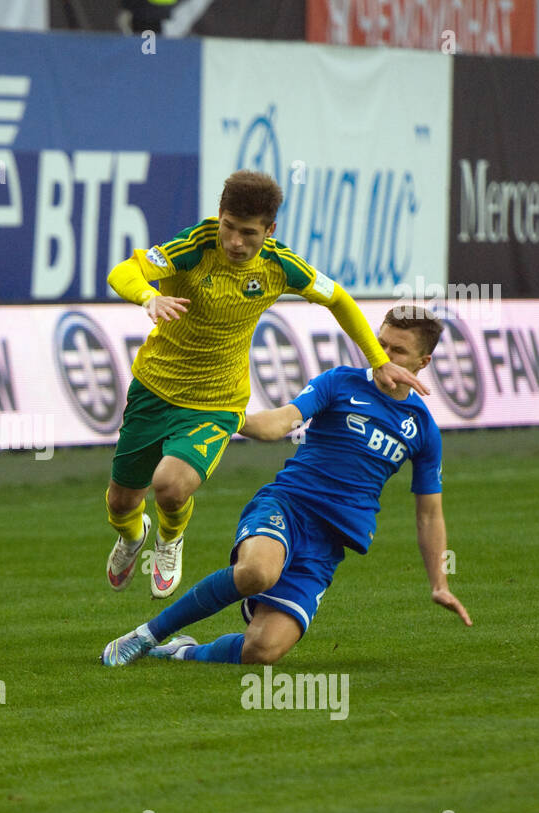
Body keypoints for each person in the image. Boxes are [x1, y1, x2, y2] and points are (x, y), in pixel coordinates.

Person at [103, 169, 428, 602]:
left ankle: (170, 536)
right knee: (121, 502)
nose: (236, 242)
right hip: (154, 388)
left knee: (169, 484)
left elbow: (338, 298)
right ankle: (132, 535)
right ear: (219, 217)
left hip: (216, 401)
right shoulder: (194, 247)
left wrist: (378, 360)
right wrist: (149, 296)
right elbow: (124, 271)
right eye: (229, 228)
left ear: (269, 229)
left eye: (249, 233)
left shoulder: (280, 265)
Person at [101, 306, 471, 668]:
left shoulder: (422, 429)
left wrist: (439, 582)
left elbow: (429, 515)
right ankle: (146, 635)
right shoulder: (340, 383)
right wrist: (229, 418)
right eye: (380, 344)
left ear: (422, 362)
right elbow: (280, 423)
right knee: (258, 572)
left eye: (397, 350)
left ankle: (180, 651)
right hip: (287, 506)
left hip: (328, 543)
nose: (383, 355)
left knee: (263, 649)